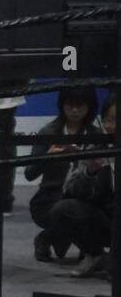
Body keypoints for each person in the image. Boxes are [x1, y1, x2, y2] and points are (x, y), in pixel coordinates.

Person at [27, 86, 104, 262]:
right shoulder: (48, 133)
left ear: (90, 107)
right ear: (62, 105)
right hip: (48, 200)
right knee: (64, 212)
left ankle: (80, 244)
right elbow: (29, 173)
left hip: (85, 198)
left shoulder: (96, 135)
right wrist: (47, 157)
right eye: (70, 105)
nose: (75, 111)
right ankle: (48, 238)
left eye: (80, 106)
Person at [55, 95, 116, 279]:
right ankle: (95, 254)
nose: (113, 125)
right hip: (108, 217)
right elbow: (69, 190)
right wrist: (90, 173)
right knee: (63, 209)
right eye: (110, 120)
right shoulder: (95, 144)